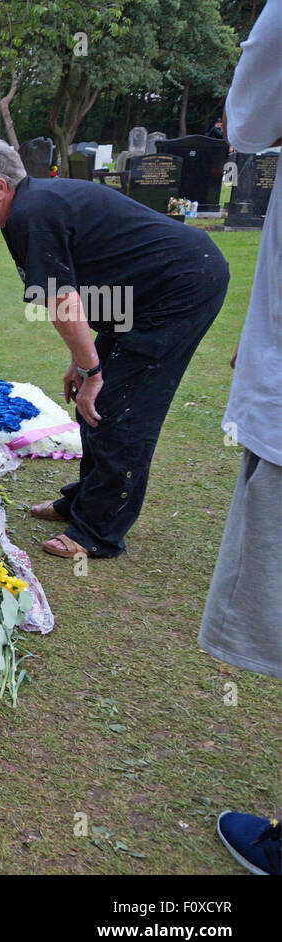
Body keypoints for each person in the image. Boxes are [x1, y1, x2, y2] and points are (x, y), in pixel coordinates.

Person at [0, 137, 230, 559]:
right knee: (94, 399)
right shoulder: (26, 211)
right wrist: (84, 363)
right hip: (136, 296)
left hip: (179, 289)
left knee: (121, 404)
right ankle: (83, 502)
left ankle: (99, 531)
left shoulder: (31, 213)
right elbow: (72, 290)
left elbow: (62, 300)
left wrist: (93, 370)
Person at [198, 0, 281, 876]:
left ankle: (102, 519)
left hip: (188, 284)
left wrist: (95, 368)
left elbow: (250, 119)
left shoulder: (37, 218)